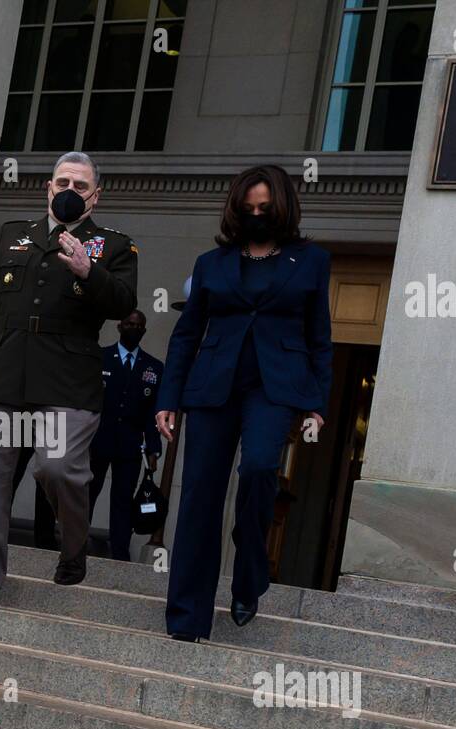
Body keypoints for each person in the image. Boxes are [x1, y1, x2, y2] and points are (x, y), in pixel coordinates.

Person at [155, 164, 331, 642]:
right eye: (248, 208)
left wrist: (317, 402)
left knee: (258, 469)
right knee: (199, 498)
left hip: (274, 390)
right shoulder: (212, 263)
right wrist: (168, 398)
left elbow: (320, 337)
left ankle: (251, 571)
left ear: (282, 208)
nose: (256, 215)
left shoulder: (310, 261)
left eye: (265, 208)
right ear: (237, 210)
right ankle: (188, 617)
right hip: (213, 387)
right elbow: (186, 334)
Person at [0, 151, 137, 606]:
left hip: (68, 380)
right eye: (63, 183)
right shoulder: (12, 235)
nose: (69, 192)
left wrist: (87, 270)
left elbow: (123, 304)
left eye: (80, 186)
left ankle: (73, 545)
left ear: (95, 196)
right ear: (48, 188)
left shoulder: (113, 245)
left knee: (57, 468)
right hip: (4, 373)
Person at [89, 309, 162, 560]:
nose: (134, 328)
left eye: (139, 326)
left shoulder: (153, 367)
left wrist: (154, 449)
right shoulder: (100, 357)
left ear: (144, 331)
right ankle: (74, 544)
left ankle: (119, 552)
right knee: (88, 492)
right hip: (97, 439)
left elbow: (154, 412)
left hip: (131, 445)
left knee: (123, 500)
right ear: (119, 327)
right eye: (129, 324)